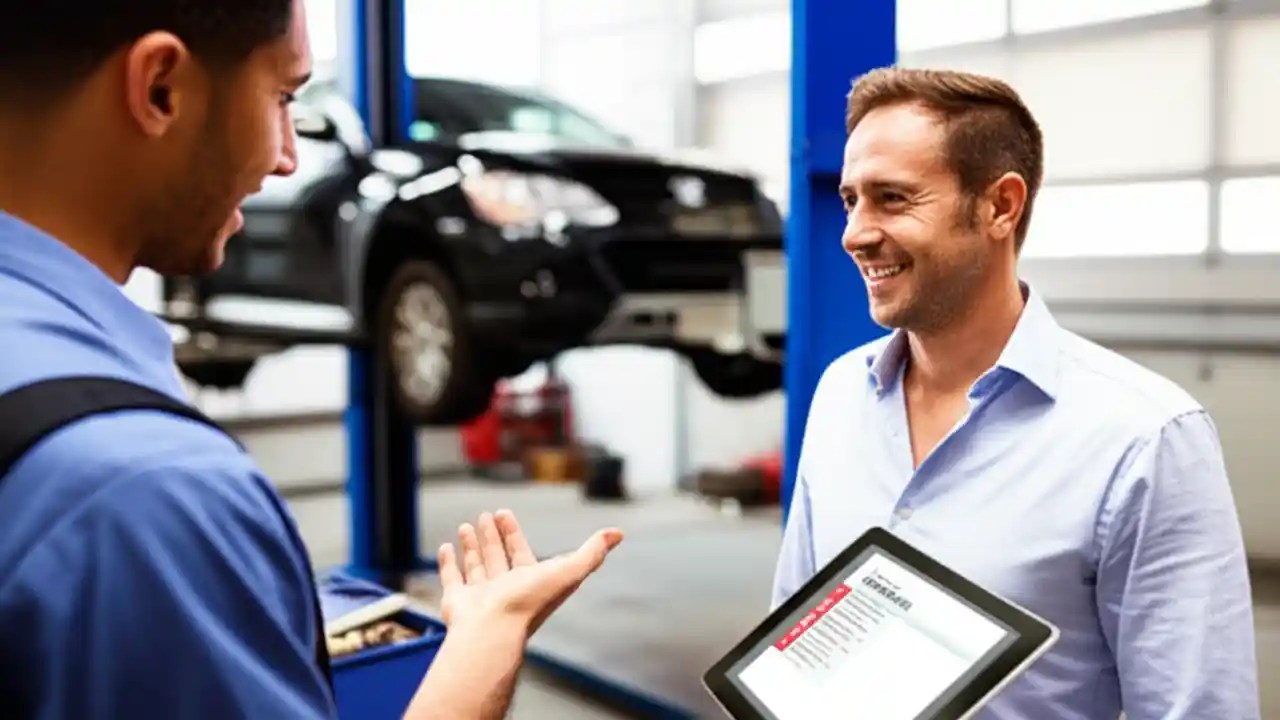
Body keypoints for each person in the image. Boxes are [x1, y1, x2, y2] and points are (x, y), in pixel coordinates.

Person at [0, 2, 622, 719]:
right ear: (161, 88)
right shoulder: (146, 497)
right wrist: (490, 637)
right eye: (283, 97)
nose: (288, 154)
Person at [773, 67, 1260, 719]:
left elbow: (1197, 706)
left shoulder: (1145, 437)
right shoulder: (841, 396)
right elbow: (794, 658)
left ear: (1000, 205)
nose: (854, 232)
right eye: (851, 199)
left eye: (892, 198)